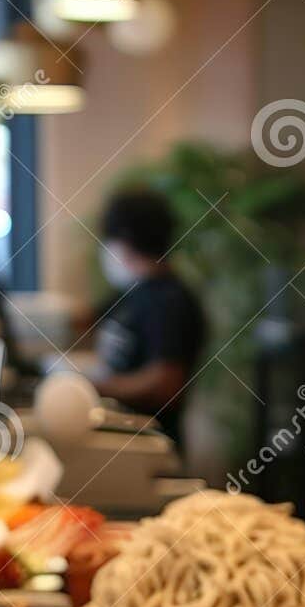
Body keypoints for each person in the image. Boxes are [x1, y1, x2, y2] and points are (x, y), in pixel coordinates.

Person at [92, 188, 207, 446]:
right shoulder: (133, 290)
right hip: (118, 436)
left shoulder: (169, 301)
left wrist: (95, 386)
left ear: (125, 239)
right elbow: (86, 319)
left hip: (150, 444)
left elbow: (165, 384)